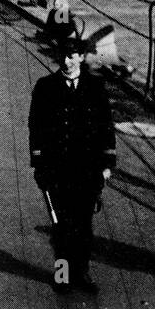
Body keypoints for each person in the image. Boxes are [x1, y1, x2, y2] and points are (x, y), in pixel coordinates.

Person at [28, 36, 116, 294]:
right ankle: (64, 275)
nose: (66, 61)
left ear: (81, 57)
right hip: (58, 169)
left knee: (84, 225)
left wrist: (107, 162)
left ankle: (82, 272)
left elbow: (105, 127)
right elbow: (36, 127)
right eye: (63, 56)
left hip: (87, 169)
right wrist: (39, 163)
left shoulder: (96, 87)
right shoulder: (45, 87)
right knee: (61, 226)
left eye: (72, 56)